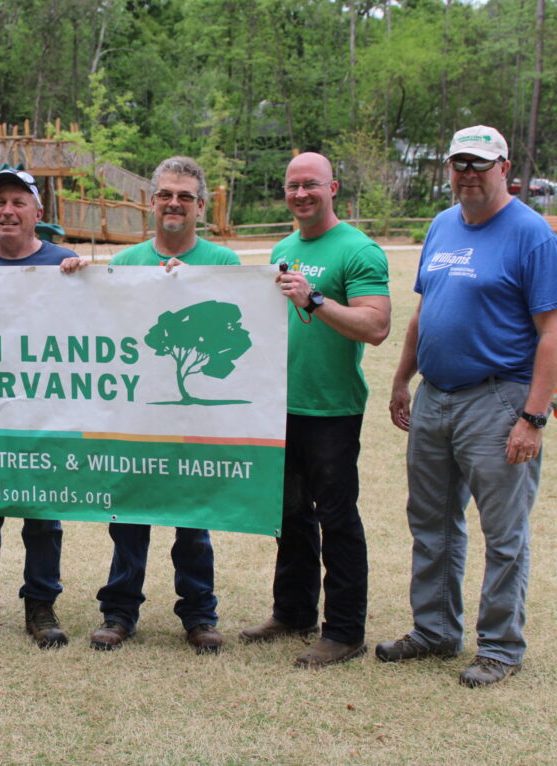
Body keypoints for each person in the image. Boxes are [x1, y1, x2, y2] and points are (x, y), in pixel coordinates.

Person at [377, 126, 557, 687]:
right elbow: (422, 312)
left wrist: (533, 415)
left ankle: (501, 647)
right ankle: (435, 631)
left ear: (505, 167)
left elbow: (550, 331)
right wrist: (403, 379)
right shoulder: (441, 224)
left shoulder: (532, 234)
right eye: (459, 164)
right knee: (431, 523)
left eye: (480, 164)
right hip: (435, 396)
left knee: (502, 534)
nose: (468, 174)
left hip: (497, 398)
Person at [240, 152, 390, 668]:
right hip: (282, 407)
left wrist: (315, 300)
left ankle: (345, 631)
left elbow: (375, 327)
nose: (301, 194)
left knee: (337, 519)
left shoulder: (358, 249)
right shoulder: (283, 247)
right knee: (289, 516)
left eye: (311, 185)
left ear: (334, 188)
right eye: (292, 186)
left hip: (332, 409)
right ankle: (294, 611)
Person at [89, 156, 239, 655]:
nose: (174, 203)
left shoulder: (224, 264)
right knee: (128, 517)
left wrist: (193, 284)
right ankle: (118, 612)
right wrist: (74, 275)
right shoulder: (125, 263)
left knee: (193, 521)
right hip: (135, 416)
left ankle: (199, 615)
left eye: (185, 196)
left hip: (198, 421)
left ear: (200, 206)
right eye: (165, 194)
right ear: (151, 201)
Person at [0, 168, 85, 649]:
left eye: (18, 202)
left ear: (37, 214)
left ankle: (41, 607)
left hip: (46, 412)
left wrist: (84, 278)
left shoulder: (63, 261)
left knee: (43, 516)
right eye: (0, 202)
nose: (8, 210)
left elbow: (94, 322)